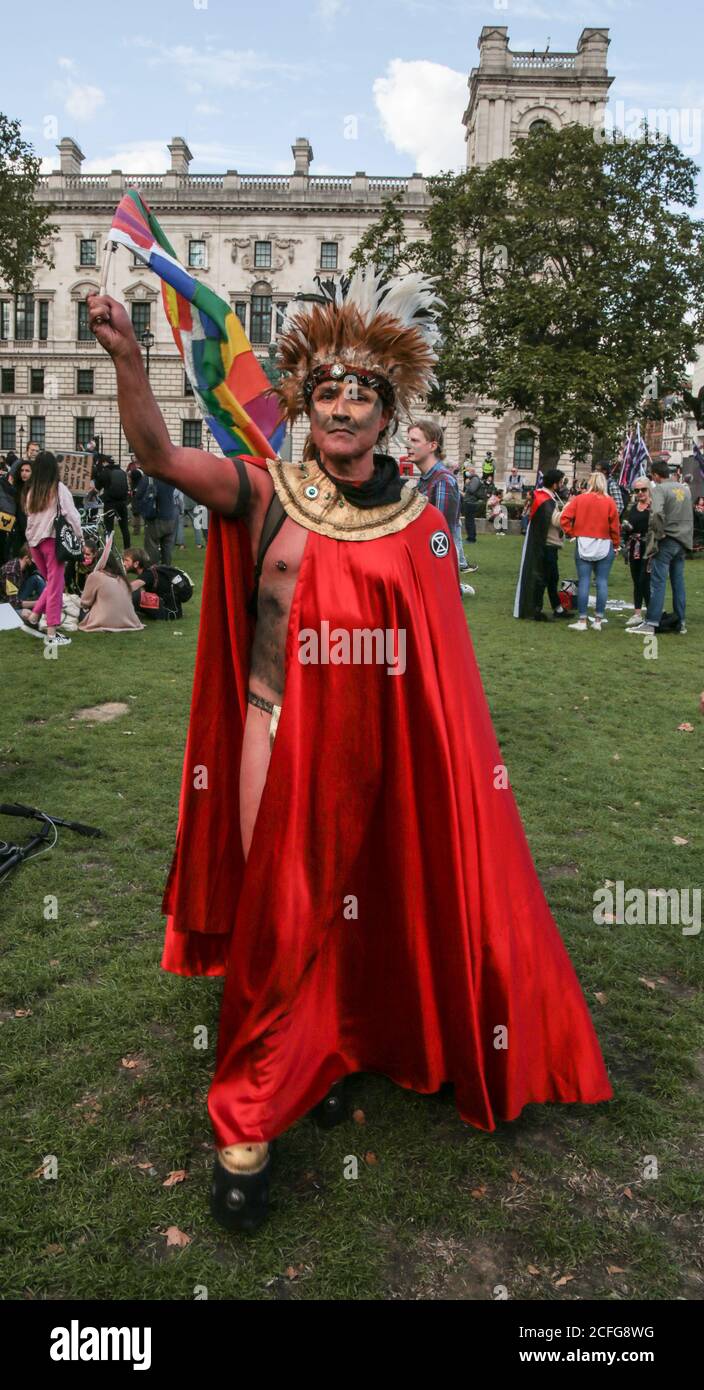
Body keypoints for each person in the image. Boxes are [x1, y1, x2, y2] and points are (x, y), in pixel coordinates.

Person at [88, 267, 611, 1235]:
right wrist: (128, 356)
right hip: (275, 745)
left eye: (361, 393)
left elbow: (441, 677)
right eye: (326, 391)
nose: (341, 406)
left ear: (386, 413)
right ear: (302, 404)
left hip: (388, 763)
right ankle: (246, 1119)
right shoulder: (263, 492)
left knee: (377, 913)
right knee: (279, 924)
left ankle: (337, 1044)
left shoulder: (420, 525)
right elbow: (159, 454)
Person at [21, 451, 82, 647]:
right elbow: (71, 515)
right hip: (52, 541)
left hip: (34, 543)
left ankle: (34, 616)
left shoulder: (32, 491)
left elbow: (29, 520)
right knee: (55, 586)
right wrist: (79, 536)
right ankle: (51, 632)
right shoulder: (58, 488)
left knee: (52, 583)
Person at [626, 460, 693, 636]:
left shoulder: (659, 490)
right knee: (678, 582)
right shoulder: (685, 489)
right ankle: (681, 621)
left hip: (667, 540)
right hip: (682, 541)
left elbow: (656, 513)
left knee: (657, 582)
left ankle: (651, 622)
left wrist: (657, 535)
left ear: (655, 475)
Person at [408, 419, 474, 596]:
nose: (408, 446)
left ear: (432, 446)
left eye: (415, 441)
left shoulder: (442, 480)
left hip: (433, 570)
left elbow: (439, 535)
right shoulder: (425, 480)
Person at [558, 472, 620, 632]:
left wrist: (571, 533)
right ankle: (598, 619)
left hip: (583, 543)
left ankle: (582, 619)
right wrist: (616, 544)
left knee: (584, 581)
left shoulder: (579, 499)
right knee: (602, 581)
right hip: (605, 543)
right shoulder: (609, 501)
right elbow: (614, 526)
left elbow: (564, 517)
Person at [513, 469, 567, 621]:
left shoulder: (546, 497)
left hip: (549, 543)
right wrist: (570, 510)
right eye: (561, 482)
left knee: (552, 577)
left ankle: (557, 607)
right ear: (555, 484)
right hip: (547, 544)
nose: (562, 484)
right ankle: (537, 609)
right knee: (544, 577)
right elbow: (555, 520)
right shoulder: (545, 499)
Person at [78, 533, 144, 632]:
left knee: (75, 607)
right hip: (128, 621)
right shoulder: (122, 580)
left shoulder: (96, 576)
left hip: (102, 621)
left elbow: (85, 603)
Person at [621, 479, 652, 627]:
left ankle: (652, 611)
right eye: (637, 490)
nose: (640, 493)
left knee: (644, 580)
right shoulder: (633, 507)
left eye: (643, 490)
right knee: (636, 580)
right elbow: (627, 525)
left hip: (649, 547)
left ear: (648, 489)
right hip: (634, 547)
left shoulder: (653, 507)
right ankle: (638, 613)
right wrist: (626, 532)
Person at [135, 473, 178, 564]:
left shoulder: (149, 478)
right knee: (167, 548)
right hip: (170, 515)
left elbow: (139, 495)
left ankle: (154, 572)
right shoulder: (170, 476)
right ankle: (166, 569)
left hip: (156, 517)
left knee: (151, 546)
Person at [93, 454, 131, 548]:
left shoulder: (105, 472)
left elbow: (96, 489)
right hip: (122, 503)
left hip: (110, 504)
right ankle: (127, 548)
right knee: (124, 528)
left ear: (105, 462)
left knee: (109, 528)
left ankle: (109, 549)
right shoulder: (122, 472)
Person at [0, 544, 45, 614]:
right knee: (23, 612)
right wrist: (39, 603)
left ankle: (50, 602)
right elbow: (13, 602)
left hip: (18, 594)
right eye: (35, 558)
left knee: (36, 578)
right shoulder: (11, 572)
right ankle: (46, 603)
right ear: (26, 558)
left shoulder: (24, 565)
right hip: (8, 602)